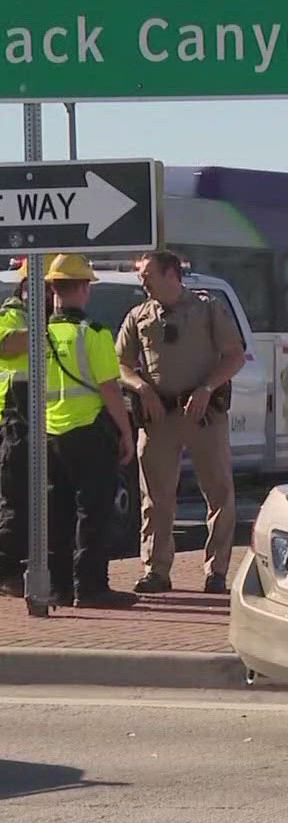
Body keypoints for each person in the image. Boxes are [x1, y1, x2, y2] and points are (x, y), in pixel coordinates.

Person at [116, 250, 244, 596]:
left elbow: (235, 355)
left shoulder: (207, 308)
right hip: (160, 417)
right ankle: (155, 570)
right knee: (155, 498)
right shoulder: (139, 315)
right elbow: (120, 364)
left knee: (219, 493)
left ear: (172, 274)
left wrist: (207, 388)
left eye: (148, 274)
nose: (142, 281)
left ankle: (216, 571)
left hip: (204, 415)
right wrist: (141, 388)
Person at [38, 255, 138, 607]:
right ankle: (92, 588)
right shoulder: (94, 333)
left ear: (53, 290)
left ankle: (60, 589)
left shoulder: (39, 336)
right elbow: (110, 389)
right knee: (94, 513)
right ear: (82, 289)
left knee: (58, 514)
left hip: (50, 434)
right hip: (89, 435)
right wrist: (126, 434)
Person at [0, 276, 34, 594]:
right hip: (12, 416)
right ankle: (7, 572)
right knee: (15, 500)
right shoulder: (10, 315)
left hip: (40, 416)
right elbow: (6, 344)